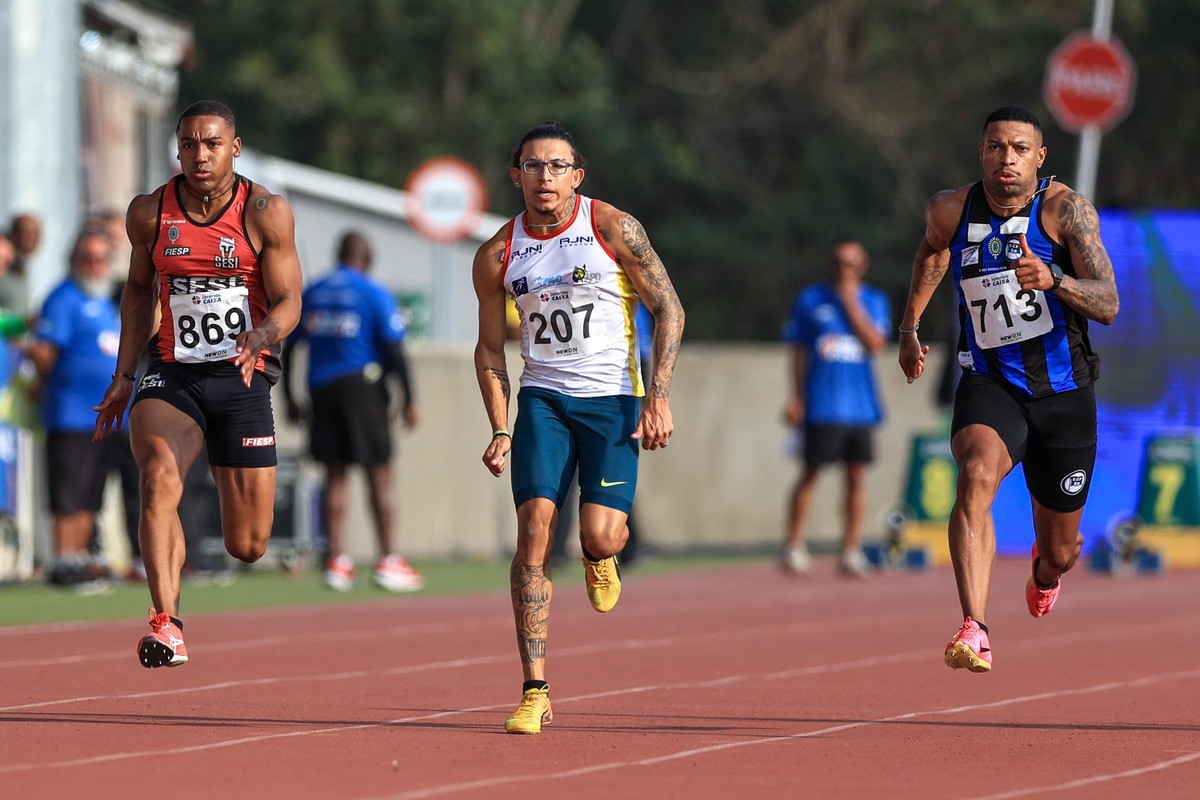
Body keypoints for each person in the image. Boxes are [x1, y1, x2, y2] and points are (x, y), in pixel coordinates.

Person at [473, 121, 684, 734]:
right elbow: (490, 351)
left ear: (577, 175)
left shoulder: (613, 227)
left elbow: (669, 307)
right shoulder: (497, 253)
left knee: (602, 534)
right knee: (534, 533)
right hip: (543, 401)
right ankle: (534, 689)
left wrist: (659, 397)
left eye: (557, 166)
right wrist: (500, 426)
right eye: (533, 166)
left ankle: (600, 555)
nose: (545, 177)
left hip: (613, 400)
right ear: (516, 176)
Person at [898, 106, 1119, 673]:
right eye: (997, 147)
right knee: (974, 473)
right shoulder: (951, 209)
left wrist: (1057, 278)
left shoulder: (1065, 211)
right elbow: (931, 253)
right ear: (982, 152)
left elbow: (1110, 303)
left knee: (1062, 549)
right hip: (990, 381)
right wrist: (909, 328)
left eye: (1020, 149)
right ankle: (975, 626)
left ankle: (1045, 574)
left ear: (1039, 158)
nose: (1007, 159)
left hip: (1064, 391)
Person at [93, 99, 303, 668]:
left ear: (234, 147)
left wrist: (262, 334)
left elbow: (289, 300)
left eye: (212, 144)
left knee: (249, 544)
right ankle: (166, 623)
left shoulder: (264, 211)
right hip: (172, 373)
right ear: (177, 149)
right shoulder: (149, 212)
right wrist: (123, 374)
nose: (200, 155)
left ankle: (188, 529)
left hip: (242, 376)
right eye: (189, 144)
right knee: (158, 478)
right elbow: (138, 294)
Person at [283, 230, 422, 592]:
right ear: (367, 259)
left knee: (334, 476)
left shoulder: (314, 292)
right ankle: (388, 558)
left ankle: (337, 561)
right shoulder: (373, 293)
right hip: (362, 389)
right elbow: (395, 350)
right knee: (379, 474)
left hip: (322, 391)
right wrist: (409, 400)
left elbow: (289, 346)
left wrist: (290, 398)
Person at [780, 240, 889, 578]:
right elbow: (797, 352)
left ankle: (851, 549)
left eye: (853, 264)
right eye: (841, 263)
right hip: (822, 404)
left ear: (863, 266)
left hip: (860, 406)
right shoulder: (811, 299)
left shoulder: (873, 300)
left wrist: (850, 302)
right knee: (811, 472)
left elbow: (875, 343)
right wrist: (797, 398)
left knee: (856, 476)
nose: (846, 270)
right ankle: (794, 545)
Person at [26, 228, 121, 587]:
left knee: (91, 492)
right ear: (75, 261)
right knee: (68, 488)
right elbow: (46, 352)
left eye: (101, 259)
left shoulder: (106, 301)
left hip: (105, 417)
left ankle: (79, 557)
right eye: (88, 259)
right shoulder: (63, 298)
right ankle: (64, 560)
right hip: (72, 412)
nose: (96, 266)